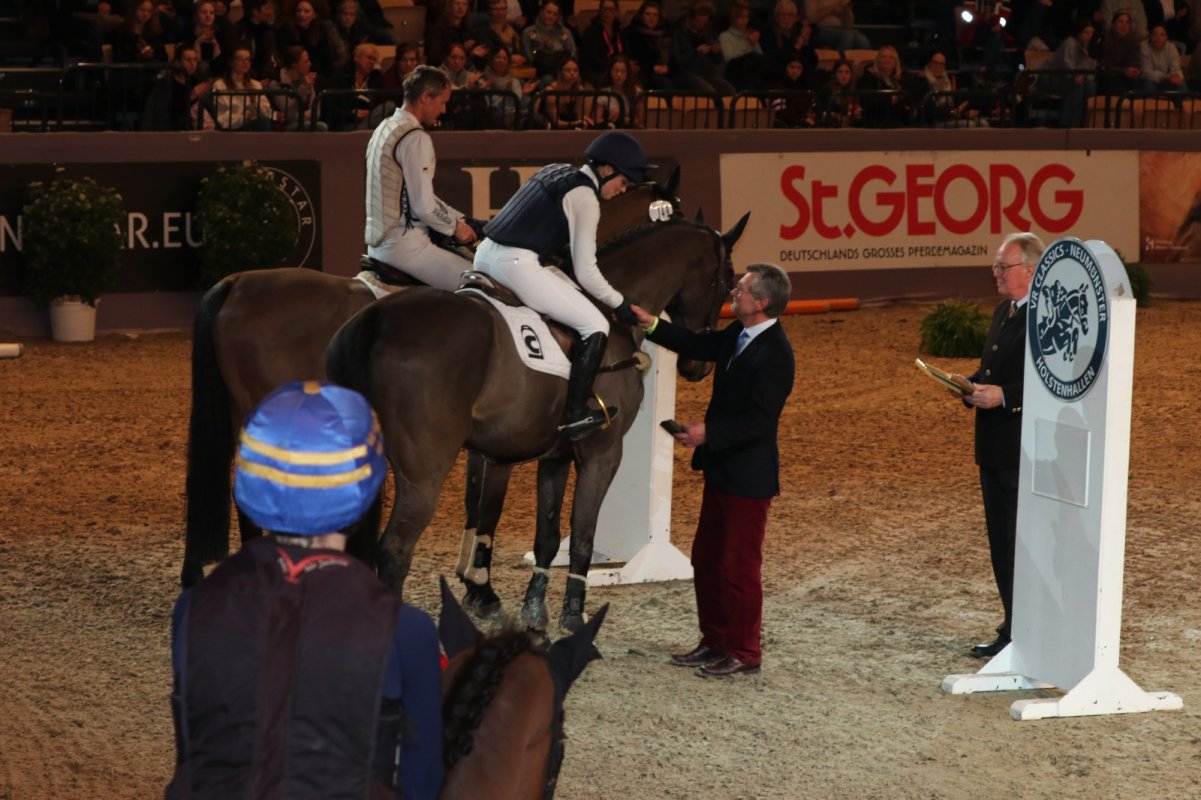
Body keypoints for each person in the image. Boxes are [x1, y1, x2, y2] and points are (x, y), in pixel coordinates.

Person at [166, 380, 443, 799]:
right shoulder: (407, 632)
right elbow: (423, 784)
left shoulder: (193, 608)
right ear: (364, 493)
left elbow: (195, 755)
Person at [630, 263, 795, 678]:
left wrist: (709, 434)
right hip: (723, 468)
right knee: (707, 560)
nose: (732, 292)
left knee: (739, 568)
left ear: (762, 302)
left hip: (748, 477)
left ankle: (745, 652)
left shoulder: (776, 353)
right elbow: (696, 345)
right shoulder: (737, 336)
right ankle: (714, 640)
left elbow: (760, 421)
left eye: (741, 289)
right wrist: (651, 326)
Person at [472, 131, 652, 440]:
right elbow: (586, 271)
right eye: (624, 181)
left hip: (485, 255)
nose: (624, 189)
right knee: (596, 325)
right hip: (516, 264)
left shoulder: (554, 170)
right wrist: (618, 303)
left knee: (568, 288)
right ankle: (575, 414)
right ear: (606, 170)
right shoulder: (585, 198)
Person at [951, 232, 1046, 660]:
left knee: (1016, 545)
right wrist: (969, 384)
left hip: (1021, 450)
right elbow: (995, 367)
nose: (995, 273)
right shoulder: (1004, 311)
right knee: (1000, 544)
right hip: (992, 448)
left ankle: (1023, 633)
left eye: (1002, 267)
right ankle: (1014, 625)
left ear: (1029, 270)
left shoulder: (1045, 316)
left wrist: (1005, 396)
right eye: (996, 266)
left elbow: (1051, 384)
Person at [365, 65, 477, 291]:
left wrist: (462, 219)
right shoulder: (415, 137)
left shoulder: (384, 127)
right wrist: (456, 227)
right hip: (407, 247)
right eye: (442, 102)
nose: (443, 110)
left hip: (378, 245)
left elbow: (418, 198)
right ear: (426, 97)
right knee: (482, 283)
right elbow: (423, 206)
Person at [1139, 23, 1185, 91]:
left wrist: (1176, 76)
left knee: (1181, 85)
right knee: (1148, 84)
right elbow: (1145, 71)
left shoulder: (1171, 47)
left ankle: (1187, 101)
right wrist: (1164, 77)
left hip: (1167, 80)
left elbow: (1176, 68)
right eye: (1155, 34)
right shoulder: (1144, 46)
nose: (1158, 37)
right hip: (1149, 79)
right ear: (1150, 36)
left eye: (1162, 35)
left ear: (1167, 37)